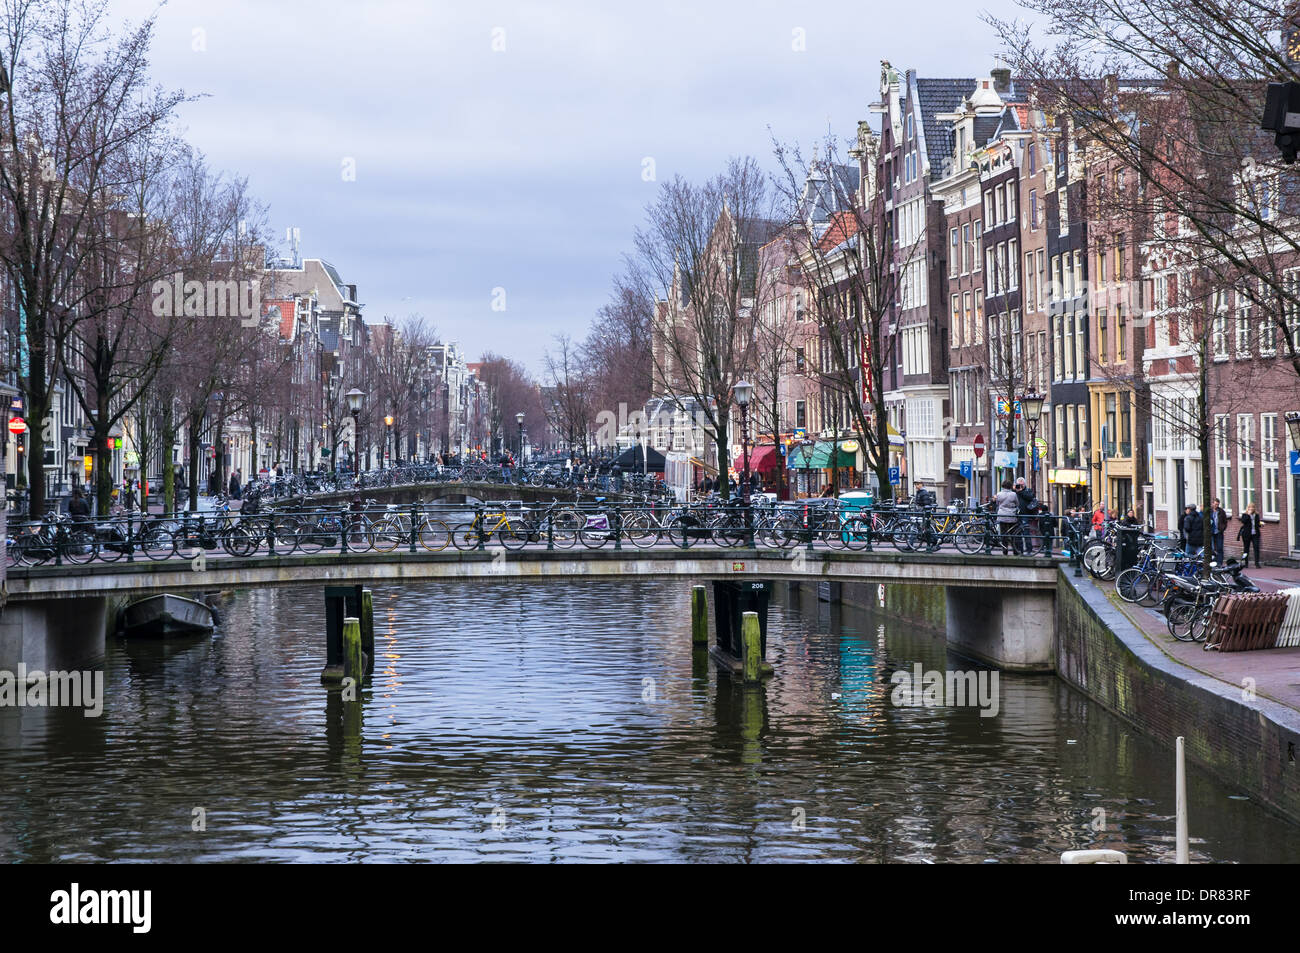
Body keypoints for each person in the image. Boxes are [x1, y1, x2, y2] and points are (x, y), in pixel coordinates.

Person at [994, 478, 1020, 554]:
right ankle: (1015, 550)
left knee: (1003, 534)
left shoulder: (999, 494)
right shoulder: (1014, 494)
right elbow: (1017, 504)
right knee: (1013, 534)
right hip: (1011, 515)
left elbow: (997, 504)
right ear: (1010, 486)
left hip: (1002, 515)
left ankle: (1005, 550)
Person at [1014, 477, 1038, 555]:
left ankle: (1029, 550)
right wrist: (1015, 490)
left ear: (1024, 484)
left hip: (1025, 514)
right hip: (1016, 514)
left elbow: (1030, 497)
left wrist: (1020, 491)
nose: (1020, 485)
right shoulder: (1014, 492)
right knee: (1017, 533)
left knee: (1026, 532)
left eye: (1022, 484)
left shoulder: (1028, 491)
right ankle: (1019, 550)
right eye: (1019, 484)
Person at [1238, 502, 1262, 568]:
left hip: (1255, 534)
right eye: (1250, 507)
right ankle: (1246, 563)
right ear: (1248, 508)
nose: (1251, 509)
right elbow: (1243, 521)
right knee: (1246, 548)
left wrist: (1260, 524)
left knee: (1256, 547)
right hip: (1247, 534)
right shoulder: (1245, 515)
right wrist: (1248, 515)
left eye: (1253, 507)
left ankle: (1257, 563)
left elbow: (1257, 523)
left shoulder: (1256, 515)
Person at [1208, 497, 1226, 566]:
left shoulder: (1221, 511)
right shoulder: (1209, 511)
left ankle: (1219, 563)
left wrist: (1222, 528)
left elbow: (1225, 521)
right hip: (1211, 532)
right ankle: (1212, 562)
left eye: (1217, 504)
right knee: (1211, 548)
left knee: (1220, 548)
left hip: (1219, 532)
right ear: (1212, 504)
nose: (1216, 506)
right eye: (1215, 504)